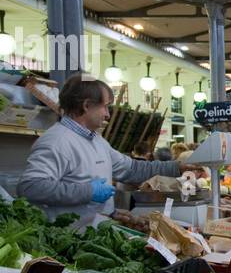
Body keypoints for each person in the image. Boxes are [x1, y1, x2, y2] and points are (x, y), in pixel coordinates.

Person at [18, 78, 188, 227]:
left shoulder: (97, 141)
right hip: (68, 241)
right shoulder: (57, 142)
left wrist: (178, 167)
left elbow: (132, 169)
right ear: (87, 106)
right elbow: (30, 187)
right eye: (105, 107)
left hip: (95, 235)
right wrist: (88, 191)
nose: (107, 114)